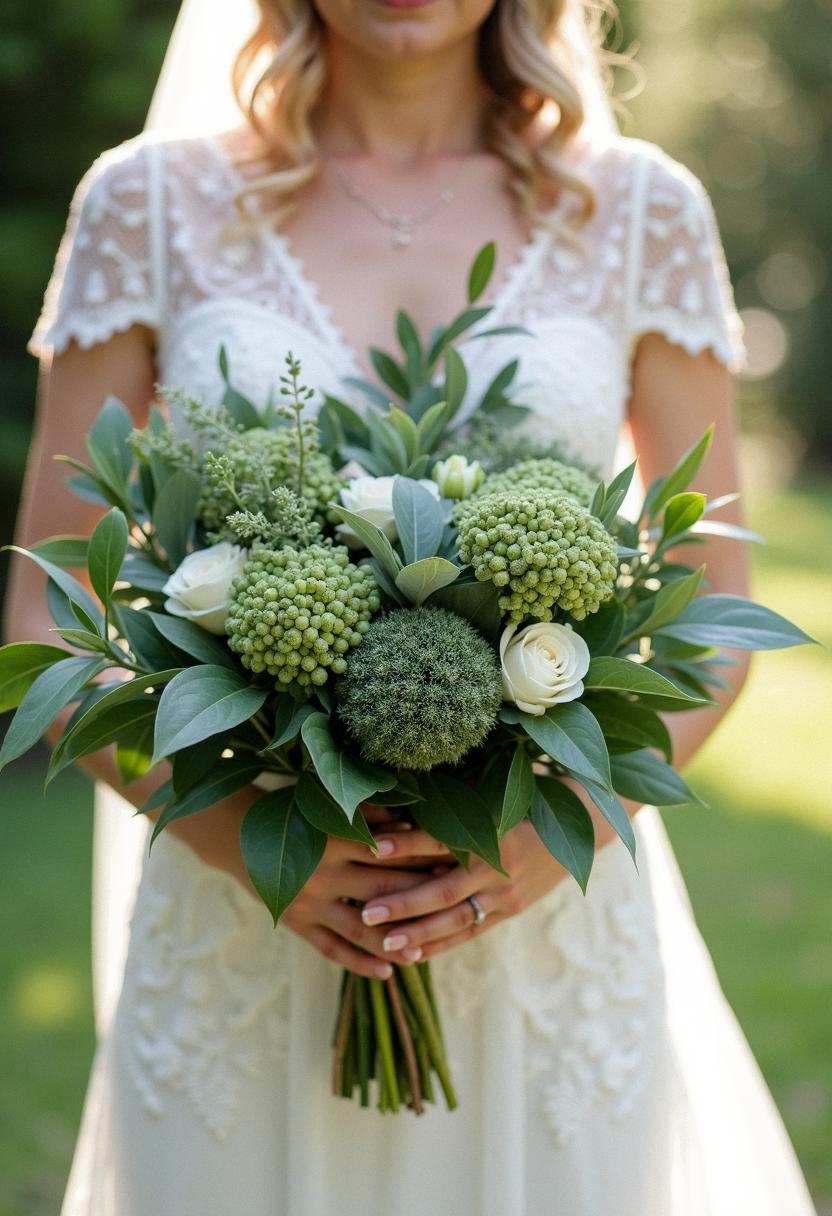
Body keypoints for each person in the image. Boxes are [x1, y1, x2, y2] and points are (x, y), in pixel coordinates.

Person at [6, 0, 818, 1212]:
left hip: (541, 918)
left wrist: (562, 830)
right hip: (243, 924)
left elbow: (714, 608)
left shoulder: (641, 209)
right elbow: (43, 613)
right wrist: (240, 840)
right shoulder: (149, 204)